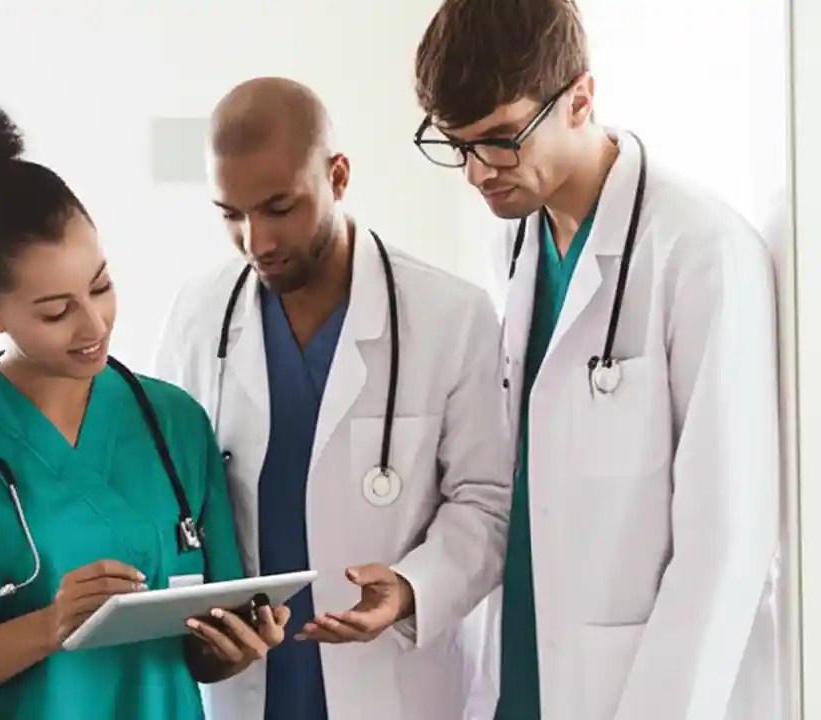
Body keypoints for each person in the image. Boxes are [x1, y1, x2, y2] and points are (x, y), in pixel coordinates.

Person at [0, 103, 289, 720]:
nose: (94, 325)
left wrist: (238, 648)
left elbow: (198, 653)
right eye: (56, 311)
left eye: (101, 286)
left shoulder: (174, 423)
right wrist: (52, 624)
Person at [412, 2, 782, 719]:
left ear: (580, 98)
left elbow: (726, 541)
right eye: (456, 145)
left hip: (637, 688)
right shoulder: (515, 246)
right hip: (524, 668)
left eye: (499, 140)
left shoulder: (700, 252)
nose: (476, 173)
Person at [152, 76, 512, 719]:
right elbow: (170, 498)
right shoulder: (198, 316)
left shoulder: (450, 316)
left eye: (279, 208)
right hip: (248, 684)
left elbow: (486, 502)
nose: (257, 242)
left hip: (392, 681)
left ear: (338, 176)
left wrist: (410, 588)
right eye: (231, 215)